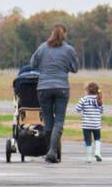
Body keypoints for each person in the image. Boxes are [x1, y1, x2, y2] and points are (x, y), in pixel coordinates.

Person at [29, 24, 79, 163]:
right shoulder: (69, 49)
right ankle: (52, 151)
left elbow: (33, 63)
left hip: (43, 88)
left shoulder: (43, 47)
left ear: (51, 33)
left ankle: (50, 151)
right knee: (59, 121)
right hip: (61, 87)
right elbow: (75, 68)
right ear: (65, 34)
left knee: (48, 121)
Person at [75, 81, 104, 162]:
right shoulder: (99, 100)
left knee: (88, 141)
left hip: (86, 125)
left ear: (87, 90)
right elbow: (102, 111)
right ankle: (97, 153)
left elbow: (77, 109)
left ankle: (88, 158)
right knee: (97, 139)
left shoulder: (83, 99)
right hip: (96, 124)